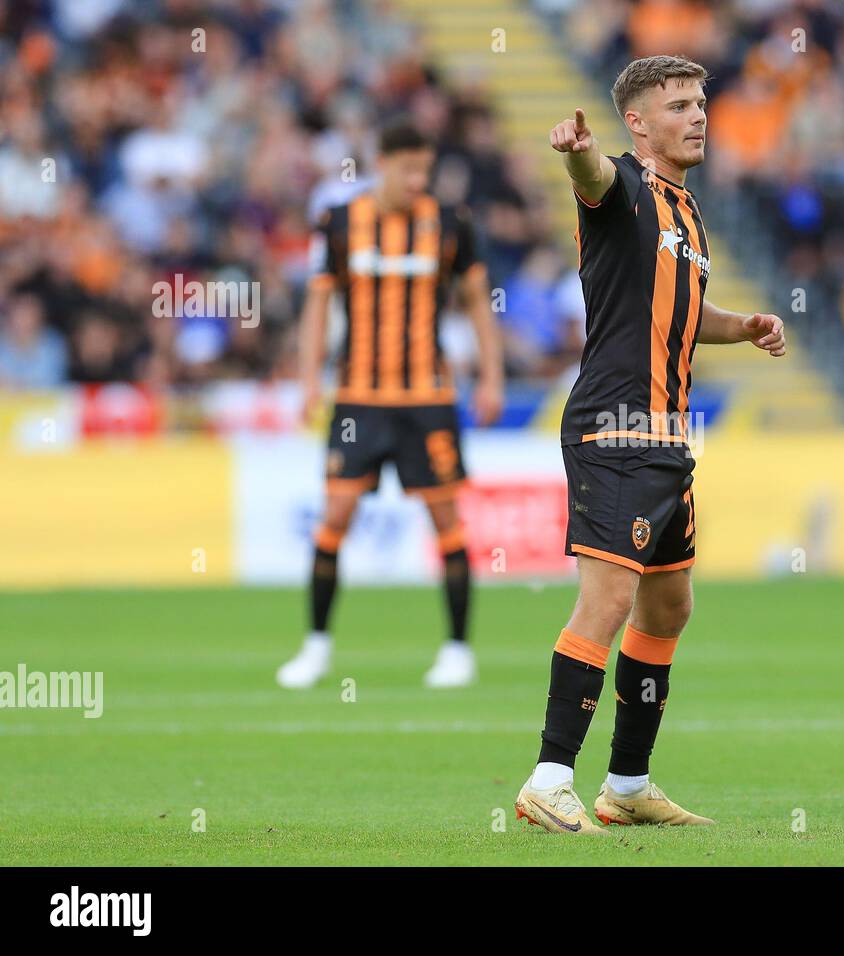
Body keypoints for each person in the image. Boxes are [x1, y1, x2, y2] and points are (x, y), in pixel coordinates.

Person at [513, 55, 787, 835]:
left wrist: (746, 326)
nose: (697, 116)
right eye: (678, 106)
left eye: (700, 103)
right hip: (616, 427)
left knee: (668, 605)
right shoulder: (625, 189)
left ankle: (627, 784)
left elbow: (686, 314)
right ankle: (548, 777)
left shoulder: (688, 214)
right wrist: (573, 150)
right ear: (638, 123)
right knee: (607, 598)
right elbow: (592, 176)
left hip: (669, 435)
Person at [277, 120, 504, 690]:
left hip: (428, 398)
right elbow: (316, 306)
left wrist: (492, 377)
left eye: (424, 170)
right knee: (334, 519)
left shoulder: (450, 223)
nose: (417, 181)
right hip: (357, 399)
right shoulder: (338, 223)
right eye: (408, 169)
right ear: (381, 162)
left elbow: (478, 303)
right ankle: (317, 647)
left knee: (447, 522)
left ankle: (457, 651)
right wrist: (308, 379)